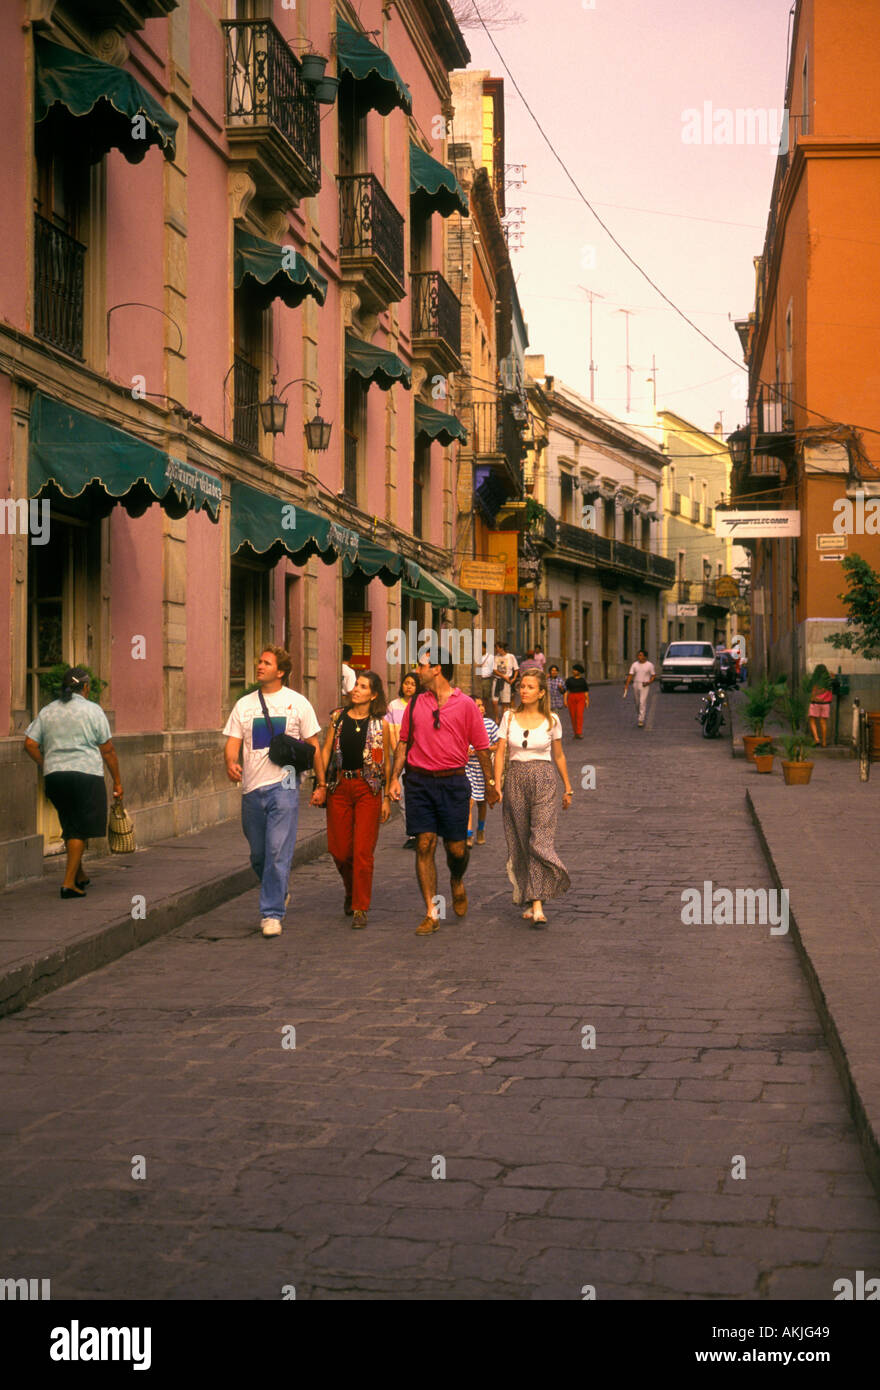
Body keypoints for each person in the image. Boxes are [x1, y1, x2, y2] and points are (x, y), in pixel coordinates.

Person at [389, 646, 499, 935]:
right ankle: (432, 911)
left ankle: (457, 881)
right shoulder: (414, 704)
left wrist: (489, 785)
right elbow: (403, 743)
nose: (417, 670)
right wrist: (393, 778)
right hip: (419, 782)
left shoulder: (465, 706)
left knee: (456, 849)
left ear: (436, 668)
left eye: (422, 665)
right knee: (424, 844)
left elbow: (483, 749)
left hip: (453, 783)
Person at [223, 645, 325, 938]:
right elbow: (232, 741)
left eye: (266, 662)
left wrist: (321, 784)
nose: (259, 666)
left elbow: (313, 745)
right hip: (252, 788)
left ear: (280, 671)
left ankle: (271, 913)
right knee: (258, 855)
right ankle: (278, 891)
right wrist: (231, 763)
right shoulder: (244, 704)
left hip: (286, 784)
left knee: (277, 850)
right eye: (259, 661)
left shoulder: (298, 703)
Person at [23, 666, 123, 899]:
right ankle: (69, 884)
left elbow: (29, 743)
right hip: (85, 773)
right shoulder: (93, 710)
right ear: (86, 687)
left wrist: (45, 762)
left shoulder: (48, 710)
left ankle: (80, 875)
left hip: (55, 776)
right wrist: (117, 781)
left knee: (71, 824)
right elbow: (107, 750)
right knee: (79, 827)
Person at [312, 671, 391, 929]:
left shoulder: (381, 725)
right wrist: (320, 784)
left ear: (374, 694)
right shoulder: (338, 717)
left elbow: (386, 762)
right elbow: (325, 751)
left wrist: (387, 797)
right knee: (339, 850)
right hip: (339, 786)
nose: (355, 689)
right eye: (356, 684)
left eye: (363, 686)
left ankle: (360, 907)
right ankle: (350, 890)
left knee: (362, 851)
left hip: (368, 788)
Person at [494, 669, 572, 929]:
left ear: (541, 693)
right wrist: (497, 784)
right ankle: (530, 895)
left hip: (544, 778)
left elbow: (559, 756)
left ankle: (538, 901)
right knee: (520, 839)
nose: (523, 691)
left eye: (529, 687)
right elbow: (501, 750)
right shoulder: (509, 717)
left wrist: (568, 787)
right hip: (515, 778)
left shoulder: (552, 720)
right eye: (522, 687)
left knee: (540, 839)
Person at [386, 671, 418, 848]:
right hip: (400, 758)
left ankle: (422, 831)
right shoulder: (393, 705)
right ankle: (412, 832)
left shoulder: (420, 705)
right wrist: (397, 753)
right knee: (402, 795)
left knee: (417, 794)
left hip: (418, 758)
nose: (409, 686)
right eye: (406, 683)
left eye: (413, 684)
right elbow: (391, 731)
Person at [466, 697, 499, 845]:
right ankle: (468, 834)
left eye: (481, 705)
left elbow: (498, 745)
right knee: (469, 800)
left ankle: (480, 829)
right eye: (477, 705)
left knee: (482, 802)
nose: (480, 708)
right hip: (468, 766)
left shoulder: (490, 725)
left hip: (484, 767)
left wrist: (482, 750)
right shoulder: (465, 724)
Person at [623, 649, 656, 728]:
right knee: (637, 703)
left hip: (644, 685)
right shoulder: (634, 664)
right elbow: (630, 675)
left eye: (641, 655)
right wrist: (626, 686)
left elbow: (653, 675)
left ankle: (641, 719)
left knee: (642, 702)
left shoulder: (650, 665)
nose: (639, 657)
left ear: (645, 656)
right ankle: (640, 714)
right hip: (636, 684)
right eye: (638, 655)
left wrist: (648, 682)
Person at [492, 640, 519, 725]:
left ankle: (504, 720)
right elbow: (494, 670)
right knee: (494, 701)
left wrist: (513, 679)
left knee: (505, 702)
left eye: (497, 648)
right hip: (498, 680)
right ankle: (497, 717)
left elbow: (516, 669)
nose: (496, 650)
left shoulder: (511, 656)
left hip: (507, 682)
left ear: (501, 648)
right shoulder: (496, 657)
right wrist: (504, 676)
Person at [808, 664, 833, 748]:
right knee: (823, 722)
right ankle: (824, 742)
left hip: (815, 703)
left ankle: (816, 738)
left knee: (812, 720)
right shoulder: (828, 680)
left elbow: (809, 689)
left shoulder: (814, 679)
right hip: (826, 704)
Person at [564, 662, 589, 738]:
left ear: (579, 672)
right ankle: (575, 733)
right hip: (571, 697)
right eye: (573, 670)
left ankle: (579, 732)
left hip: (581, 697)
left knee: (579, 715)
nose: (573, 671)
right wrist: (565, 700)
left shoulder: (583, 681)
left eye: (575, 670)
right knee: (573, 715)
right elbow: (566, 691)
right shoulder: (569, 680)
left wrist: (587, 700)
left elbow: (586, 691)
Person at [476, 640, 495, 705]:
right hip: (478, 679)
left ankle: (486, 710)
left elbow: (493, 669)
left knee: (486, 696)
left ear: (484, 648)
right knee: (479, 696)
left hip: (487, 679)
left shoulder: (491, 657)